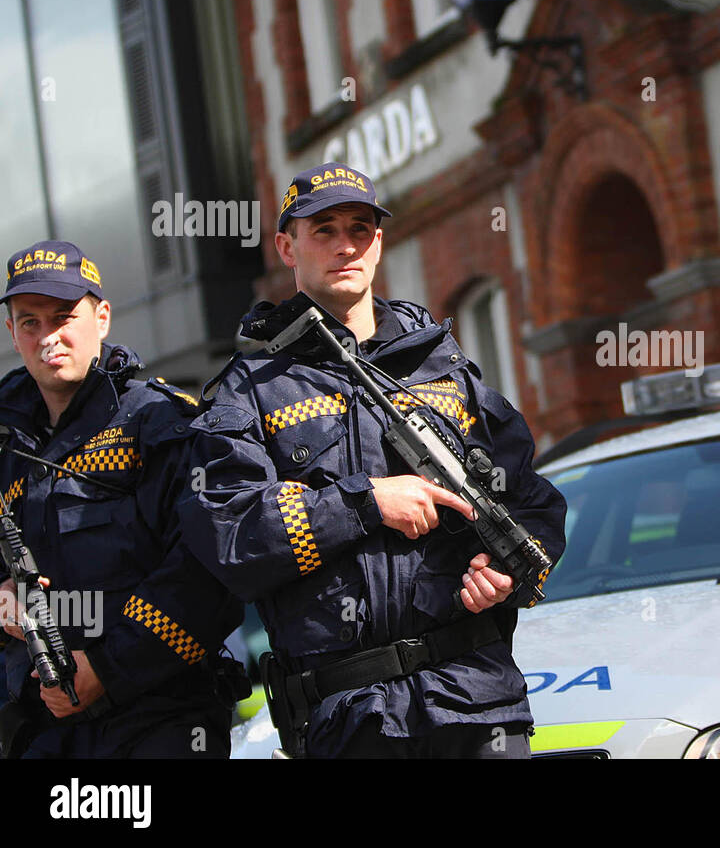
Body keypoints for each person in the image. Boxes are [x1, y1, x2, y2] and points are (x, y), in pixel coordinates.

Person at [180, 162, 567, 758]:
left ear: (379, 242)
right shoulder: (251, 391)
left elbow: (533, 501)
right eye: (324, 230)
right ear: (287, 246)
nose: (346, 246)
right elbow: (232, 542)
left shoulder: (442, 366)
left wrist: (502, 572)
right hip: (347, 719)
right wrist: (363, 504)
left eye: (360, 229)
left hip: (476, 702)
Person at [0, 241, 244, 758]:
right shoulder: (5, 444)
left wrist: (108, 669)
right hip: (43, 727)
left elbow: (209, 568)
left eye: (64, 317)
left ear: (102, 317)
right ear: (12, 333)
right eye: (30, 323)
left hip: (161, 718)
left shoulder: (157, 422)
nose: (49, 338)